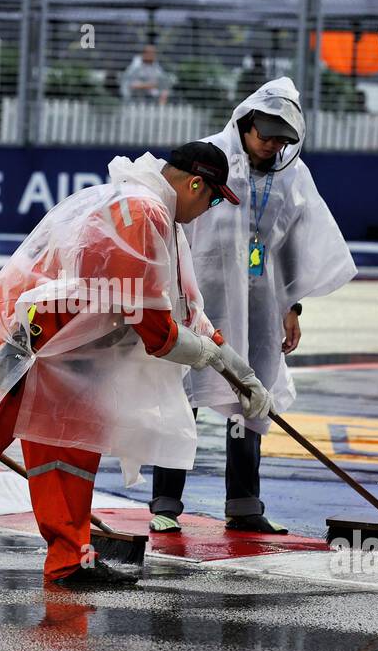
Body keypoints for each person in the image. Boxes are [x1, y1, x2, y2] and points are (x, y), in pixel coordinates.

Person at [0, 142, 273, 588]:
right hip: (28, 342)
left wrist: (240, 372)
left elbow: (186, 309)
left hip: (69, 353)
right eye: (214, 198)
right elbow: (156, 330)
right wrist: (211, 357)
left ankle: (70, 558)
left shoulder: (156, 217)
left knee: (72, 449)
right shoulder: (142, 212)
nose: (210, 209)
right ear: (195, 183)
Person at [149, 78, 356, 534]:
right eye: (266, 135)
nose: (272, 146)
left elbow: (297, 240)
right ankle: (165, 502)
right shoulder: (205, 159)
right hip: (199, 296)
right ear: (245, 124)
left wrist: (292, 306)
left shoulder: (292, 176)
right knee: (184, 395)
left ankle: (243, 504)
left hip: (260, 302)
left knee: (252, 397)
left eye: (282, 139)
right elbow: (164, 219)